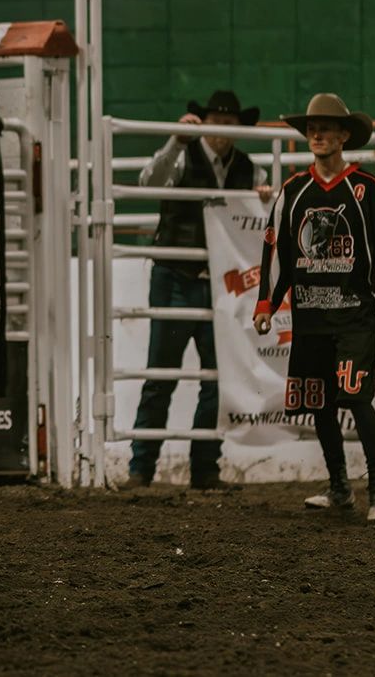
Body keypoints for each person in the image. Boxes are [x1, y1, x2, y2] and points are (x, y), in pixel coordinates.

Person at [255, 93, 375, 522]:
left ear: (344, 136)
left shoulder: (366, 190)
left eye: (325, 128)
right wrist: (266, 301)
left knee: (357, 398)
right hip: (310, 317)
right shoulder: (293, 191)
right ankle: (340, 486)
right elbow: (277, 251)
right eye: (312, 128)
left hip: (354, 315)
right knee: (320, 402)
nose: (317, 134)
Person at [128, 91, 272, 490]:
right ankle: (142, 468)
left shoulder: (249, 170)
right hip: (177, 277)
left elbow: (262, 219)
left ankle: (203, 468)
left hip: (220, 286)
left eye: (229, 122)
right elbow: (148, 183)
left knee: (216, 378)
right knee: (162, 375)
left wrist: (262, 202)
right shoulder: (181, 153)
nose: (222, 129)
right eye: (216, 120)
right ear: (202, 122)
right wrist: (176, 139)